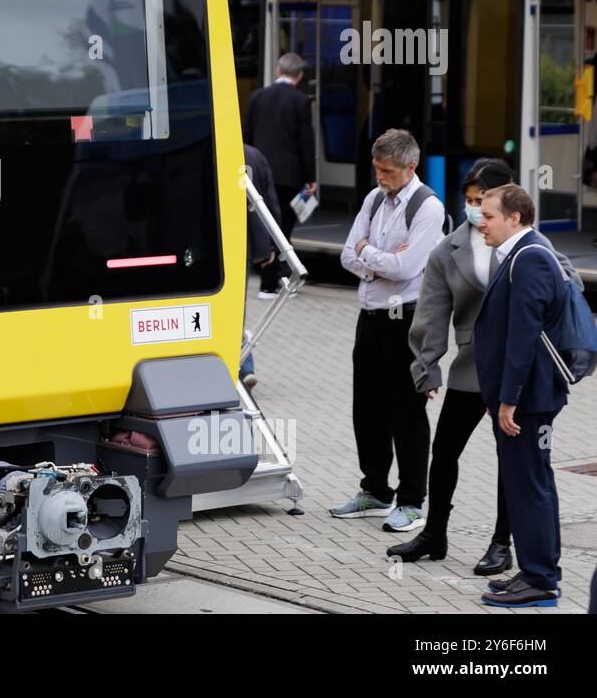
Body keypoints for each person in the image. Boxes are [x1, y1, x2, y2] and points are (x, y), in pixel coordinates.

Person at [395, 159, 579, 574]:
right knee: (443, 453)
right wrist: (427, 366)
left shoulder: (526, 244)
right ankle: (434, 533)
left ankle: (501, 543)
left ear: (501, 201)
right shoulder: (449, 248)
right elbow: (431, 309)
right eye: (469, 201)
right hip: (470, 365)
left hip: (514, 370)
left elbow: (566, 282)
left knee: (509, 459)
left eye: (482, 202)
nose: (474, 210)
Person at [332, 129, 444, 533]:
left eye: (388, 170)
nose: (380, 176)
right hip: (371, 316)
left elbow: (406, 269)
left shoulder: (428, 208)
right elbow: (347, 254)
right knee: (367, 407)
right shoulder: (374, 198)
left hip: (407, 320)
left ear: (410, 167)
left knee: (407, 412)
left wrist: (366, 252)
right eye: (377, 168)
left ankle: (412, 501)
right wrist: (372, 257)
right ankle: (375, 490)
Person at [473, 185, 569, 608]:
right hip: (525, 396)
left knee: (530, 485)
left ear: (515, 217)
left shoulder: (528, 258)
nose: (481, 223)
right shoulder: (519, 254)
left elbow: (524, 334)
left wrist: (508, 398)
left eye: (489, 216)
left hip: (527, 399)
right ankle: (536, 570)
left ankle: (541, 579)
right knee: (531, 483)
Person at [243, 52, 317, 299]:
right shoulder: (300, 101)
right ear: (300, 75)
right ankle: (277, 281)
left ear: (278, 71)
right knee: (283, 228)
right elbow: (306, 142)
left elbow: (247, 136)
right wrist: (310, 177)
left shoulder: (256, 96)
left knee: (263, 224)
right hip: (288, 175)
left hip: (258, 173)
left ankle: (267, 281)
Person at [241, 143, 281, 389]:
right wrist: (270, 244)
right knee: (239, 310)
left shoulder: (210, 145)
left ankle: (242, 366)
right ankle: (245, 366)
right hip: (241, 246)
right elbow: (268, 203)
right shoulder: (254, 154)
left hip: (211, 248)